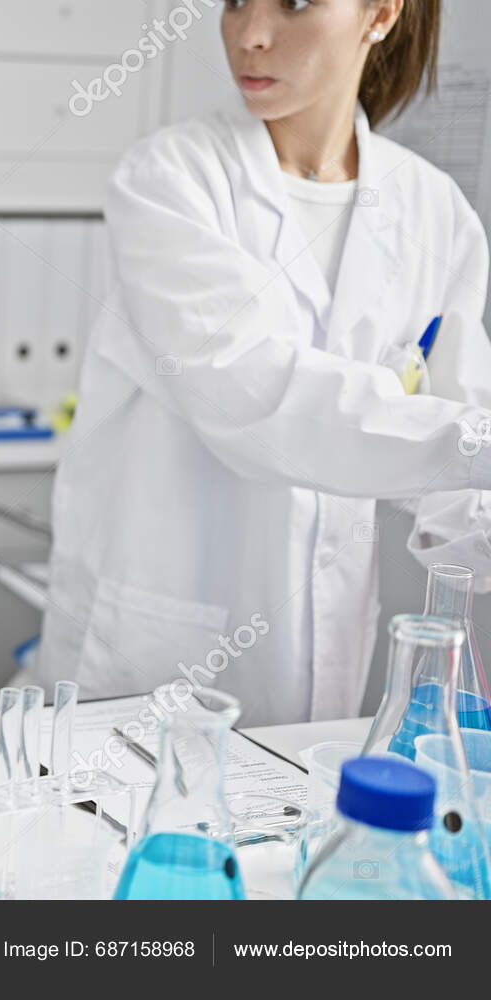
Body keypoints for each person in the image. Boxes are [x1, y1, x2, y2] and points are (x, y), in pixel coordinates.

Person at [40, 0, 491, 725]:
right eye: (235, 1)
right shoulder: (170, 180)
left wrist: (475, 520)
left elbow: (460, 493)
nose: (249, 34)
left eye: (295, 3)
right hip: (157, 664)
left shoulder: (436, 212)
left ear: (379, 13)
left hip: (327, 663)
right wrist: (468, 443)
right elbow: (258, 398)